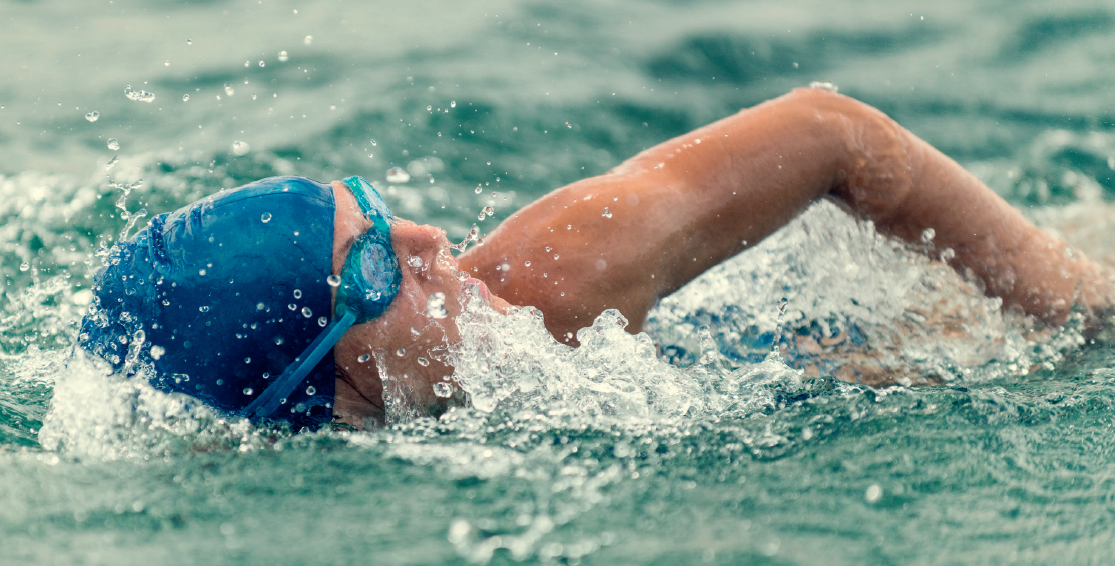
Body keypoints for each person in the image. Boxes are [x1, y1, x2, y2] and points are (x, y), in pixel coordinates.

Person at [77, 87, 1112, 430]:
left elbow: (832, 129)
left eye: (378, 214)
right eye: (378, 273)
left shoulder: (543, 288)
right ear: (335, 390)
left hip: (958, 293)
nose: (433, 244)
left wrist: (1069, 296)